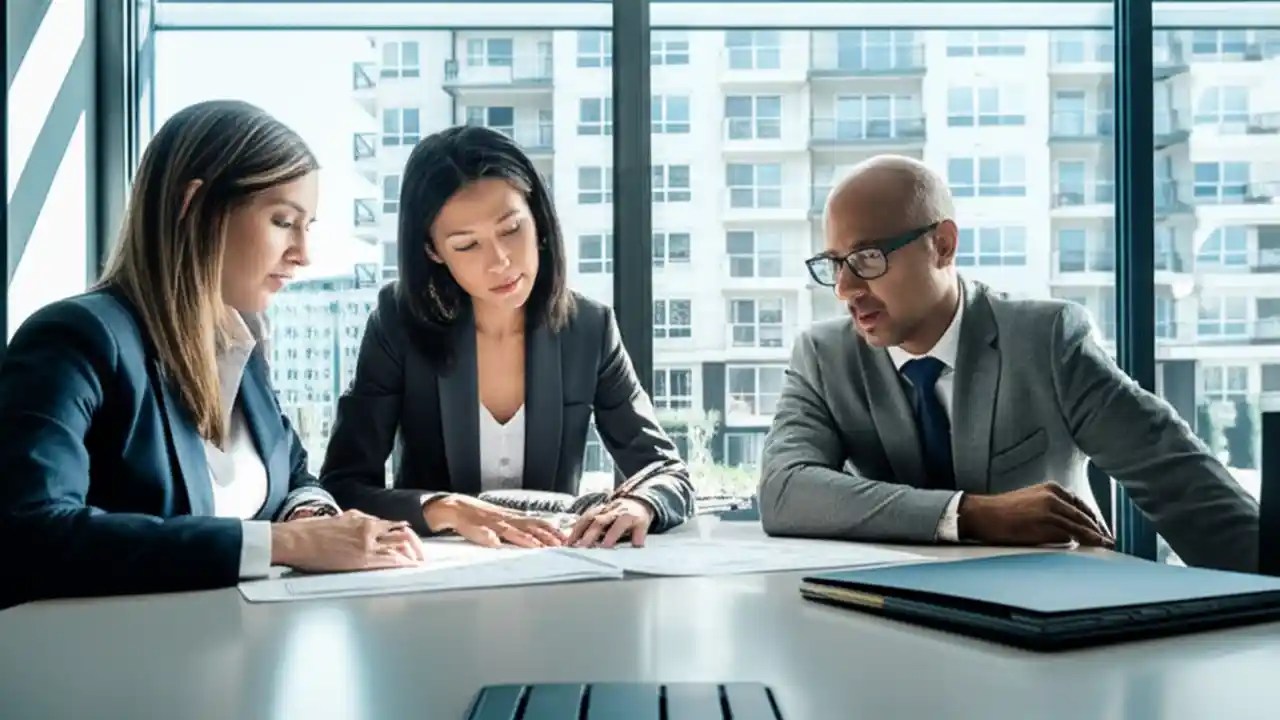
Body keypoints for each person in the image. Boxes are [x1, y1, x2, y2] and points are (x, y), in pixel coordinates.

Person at [0, 100, 424, 608]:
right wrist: (283, 545)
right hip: (113, 668)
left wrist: (309, 518)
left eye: (306, 225)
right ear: (194, 205)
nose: (303, 253)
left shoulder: (241, 346)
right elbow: (31, 533)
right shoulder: (76, 339)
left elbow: (293, 477)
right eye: (283, 220)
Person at [758, 154, 1260, 573]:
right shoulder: (824, 357)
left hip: (1052, 625)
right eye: (835, 264)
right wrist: (968, 514)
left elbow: (1179, 481)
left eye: (867, 258)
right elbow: (784, 491)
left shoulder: (1045, 340)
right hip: (885, 626)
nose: (845, 289)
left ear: (943, 245)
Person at [321, 125, 694, 549]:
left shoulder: (589, 328)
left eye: (511, 229)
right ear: (432, 251)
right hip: (430, 581)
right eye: (466, 246)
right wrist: (446, 508)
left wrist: (641, 504)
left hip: (553, 570)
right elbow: (342, 486)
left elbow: (666, 473)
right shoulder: (396, 324)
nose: (499, 262)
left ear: (538, 219)